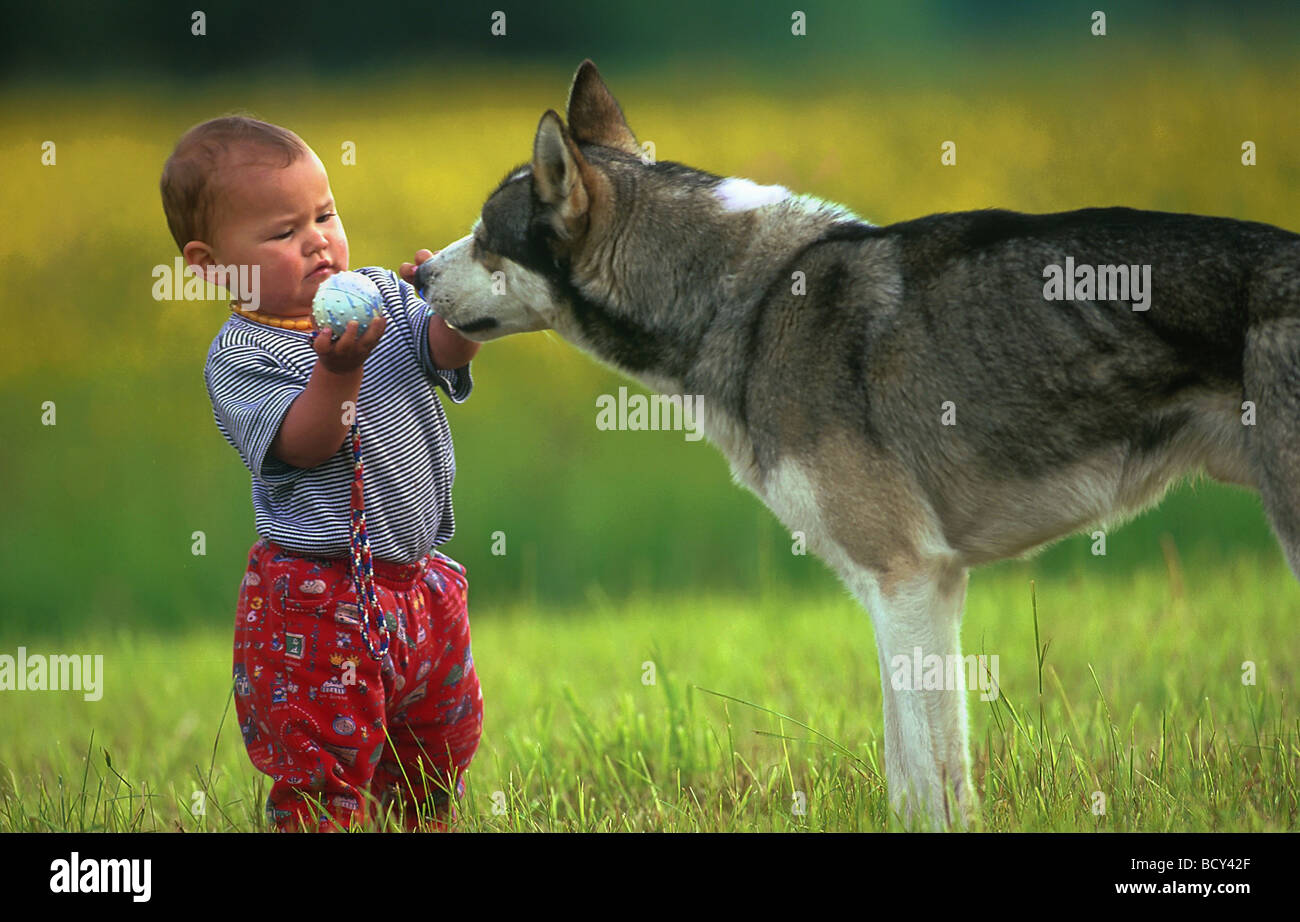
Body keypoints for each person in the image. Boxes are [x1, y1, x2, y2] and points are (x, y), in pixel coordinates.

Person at [161, 114, 482, 831]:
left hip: (419, 587)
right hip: (317, 601)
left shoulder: (381, 296)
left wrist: (461, 304)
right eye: (282, 233)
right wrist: (338, 370)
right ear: (213, 265)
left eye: (325, 214)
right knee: (323, 759)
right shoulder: (242, 356)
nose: (317, 241)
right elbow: (305, 443)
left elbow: (445, 352)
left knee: (437, 750)